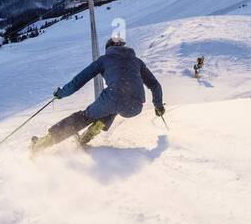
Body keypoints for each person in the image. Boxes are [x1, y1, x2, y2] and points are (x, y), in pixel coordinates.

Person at [30, 37, 165, 154]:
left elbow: (80, 79)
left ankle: (42, 144)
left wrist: (61, 93)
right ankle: (90, 133)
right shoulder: (137, 62)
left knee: (85, 116)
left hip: (113, 97)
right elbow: (155, 85)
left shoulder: (104, 59)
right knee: (115, 107)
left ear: (109, 48)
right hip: (135, 106)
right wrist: (158, 107)